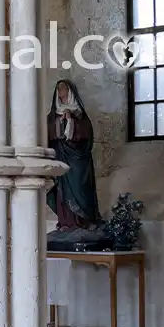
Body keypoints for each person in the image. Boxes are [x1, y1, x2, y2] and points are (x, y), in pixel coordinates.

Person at [46, 79, 102, 230]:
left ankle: (82, 221)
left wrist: (71, 120)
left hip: (77, 159)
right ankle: (65, 222)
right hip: (59, 155)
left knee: (79, 188)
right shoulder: (52, 115)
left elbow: (86, 135)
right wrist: (60, 121)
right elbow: (47, 135)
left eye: (63, 89)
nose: (60, 92)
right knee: (60, 190)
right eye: (58, 89)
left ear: (70, 92)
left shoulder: (80, 114)